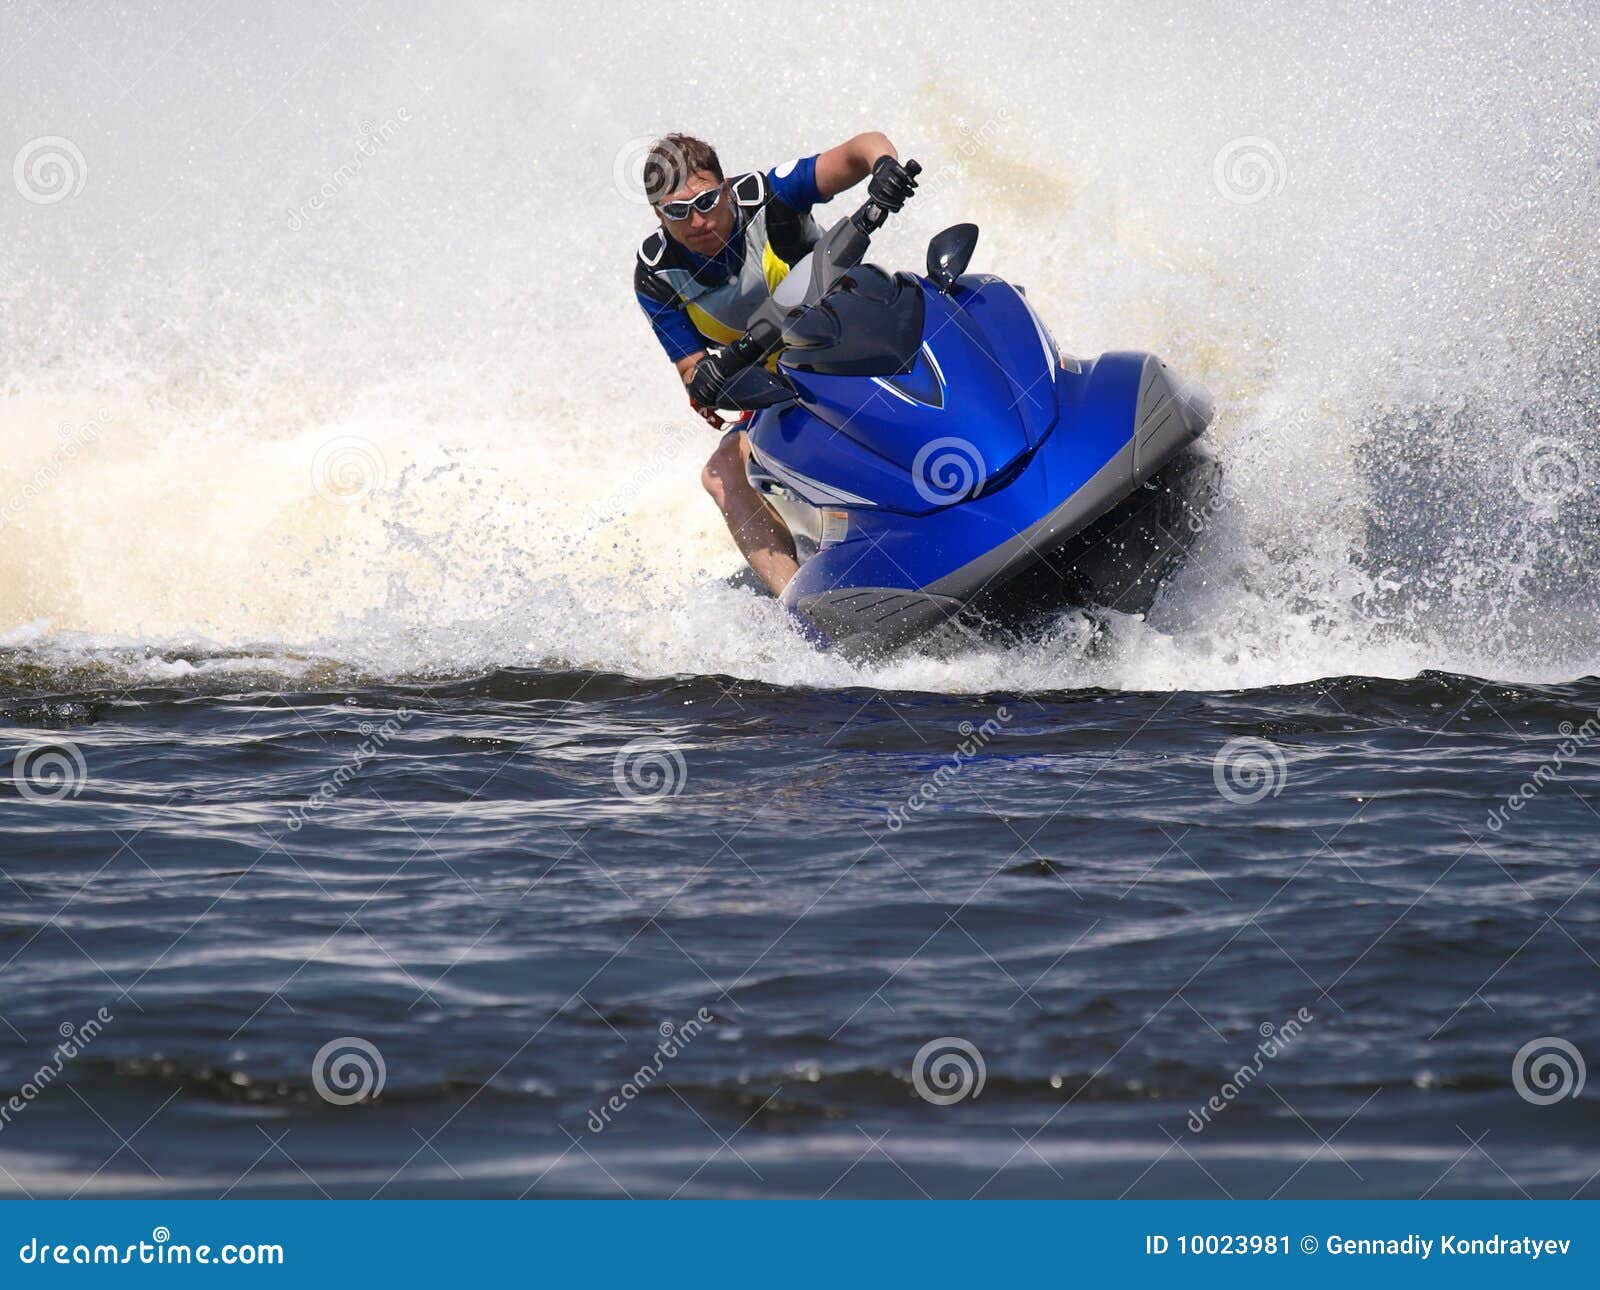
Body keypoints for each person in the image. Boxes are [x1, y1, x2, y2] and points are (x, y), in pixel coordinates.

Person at [633, 132, 916, 594]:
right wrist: (705, 388)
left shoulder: (771, 197)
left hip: (859, 343)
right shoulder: (656, 275)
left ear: (725, 188)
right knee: (720, 473)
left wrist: (885, 168)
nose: (698, 221)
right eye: (677, 211)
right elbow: (695, 373)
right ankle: (801, 609)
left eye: (706, 201)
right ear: (658, 215)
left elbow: (862, 148)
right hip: (785, 390)